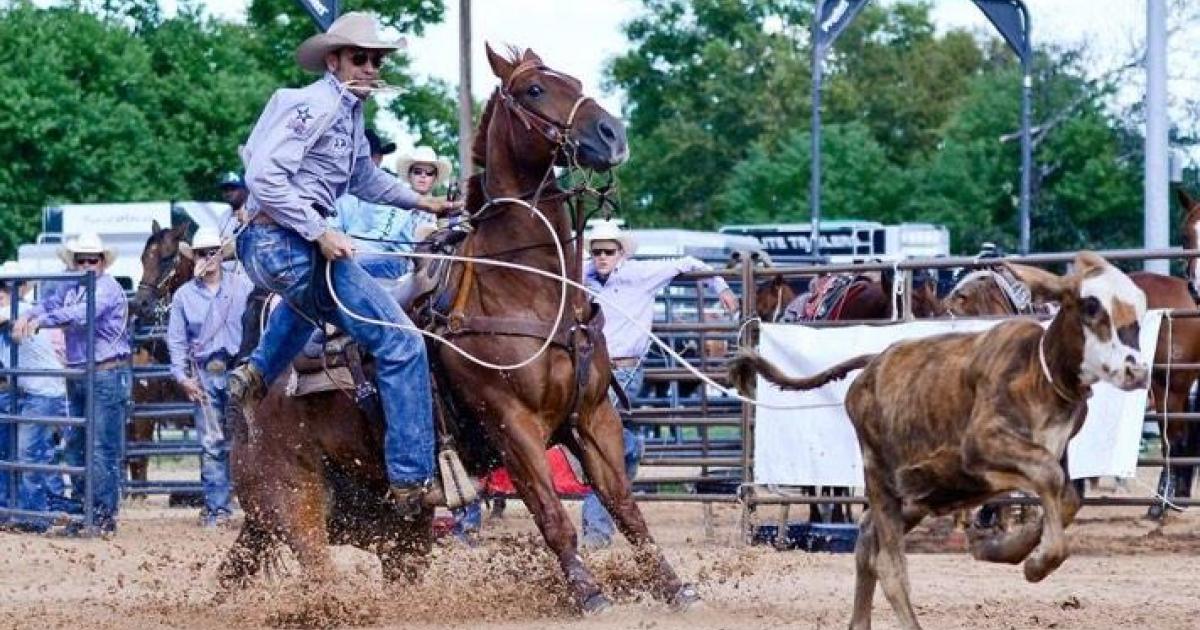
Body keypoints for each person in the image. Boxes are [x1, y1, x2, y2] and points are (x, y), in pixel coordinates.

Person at [228, 11, 461, 512]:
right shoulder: (315, 106)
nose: (371, 67)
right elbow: (265, 178)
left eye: (375, 59)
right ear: (333, 60)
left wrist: (426, 203)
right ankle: (412, 479)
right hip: (287, 243)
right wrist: (319, 230)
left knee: (314, 304)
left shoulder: (347, 113)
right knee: (401, 344)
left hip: (276, 246)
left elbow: (362, 180)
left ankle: (254, 374)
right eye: (361, 57)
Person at [579, 220, 739, 548]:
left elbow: (690, 263)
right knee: (608, 445)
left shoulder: (642, 273)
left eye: (608, 251)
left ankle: (596, 531)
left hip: (624, 372)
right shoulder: (584, 274)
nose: (601, 258)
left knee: (596, 444)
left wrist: (720, 286)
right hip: (590, 369)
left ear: (622, 253)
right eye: (596, 252)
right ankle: (632, 450)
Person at [13, 233, 131, 534]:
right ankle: (84, 510)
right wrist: (27, 314)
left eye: (93, 259)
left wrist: (40, 321)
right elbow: (48, 303)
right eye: (82, 259)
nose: (87, 264)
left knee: (101, 447)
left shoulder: (107, 289)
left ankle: (103, 515)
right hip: (81, 374)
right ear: (75, 261)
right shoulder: (73, 287)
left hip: (105, 372)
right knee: (78, 446)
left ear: (103, 261)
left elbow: (81, 315)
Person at [167, 228, 254, 527]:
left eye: (214, 252)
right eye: (203, 253)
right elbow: (176, 341)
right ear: (195, 257)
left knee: (250, 439)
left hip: (241, 370)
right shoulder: (183, 296)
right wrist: (182, 377)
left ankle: (255, 510)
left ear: (222, 254)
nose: (209, 258)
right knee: (213, 443)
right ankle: (218, 509)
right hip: (206, 373)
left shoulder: (243, 285)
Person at [0, 263, 69, 532]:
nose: (3, 291)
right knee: (16, 453)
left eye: (8, 286)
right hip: (26, 391)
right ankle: (13, 511)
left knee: (28, 455)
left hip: (42, 392)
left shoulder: (20, 311)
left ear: (22, 288)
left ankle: (35, 517)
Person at [332, 142, 445, 281]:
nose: (423, 176)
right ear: (409, 175)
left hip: (405, 263)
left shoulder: (437, 213)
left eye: (429, 173)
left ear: (434, 178)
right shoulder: (390, 199)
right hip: (374, 253)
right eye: (417, 171)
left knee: (346, 267)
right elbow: (365, 229)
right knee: (339, 262)